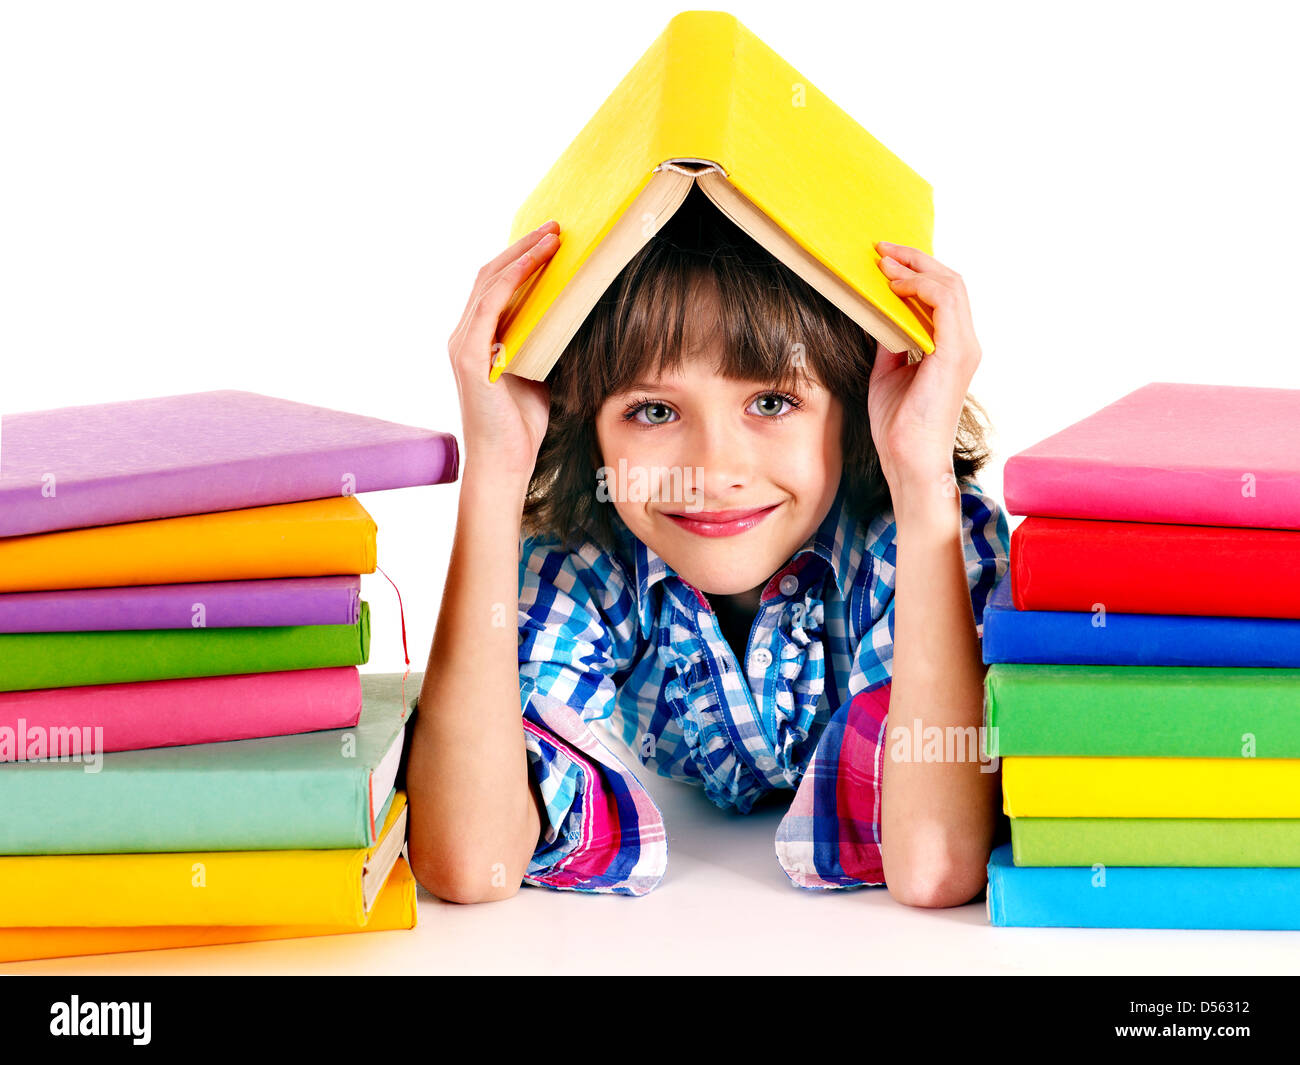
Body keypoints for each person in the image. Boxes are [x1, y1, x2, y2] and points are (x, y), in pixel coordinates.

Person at [407, 186, 1010, 907]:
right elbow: (472, 861)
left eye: (772, 402)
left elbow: (937, 864)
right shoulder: (587, 558)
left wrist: (922, 476)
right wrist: (496, 474)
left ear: (855, 401)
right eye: (654, 410)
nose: (714, 472)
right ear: (586, 424)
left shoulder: (925, 540)